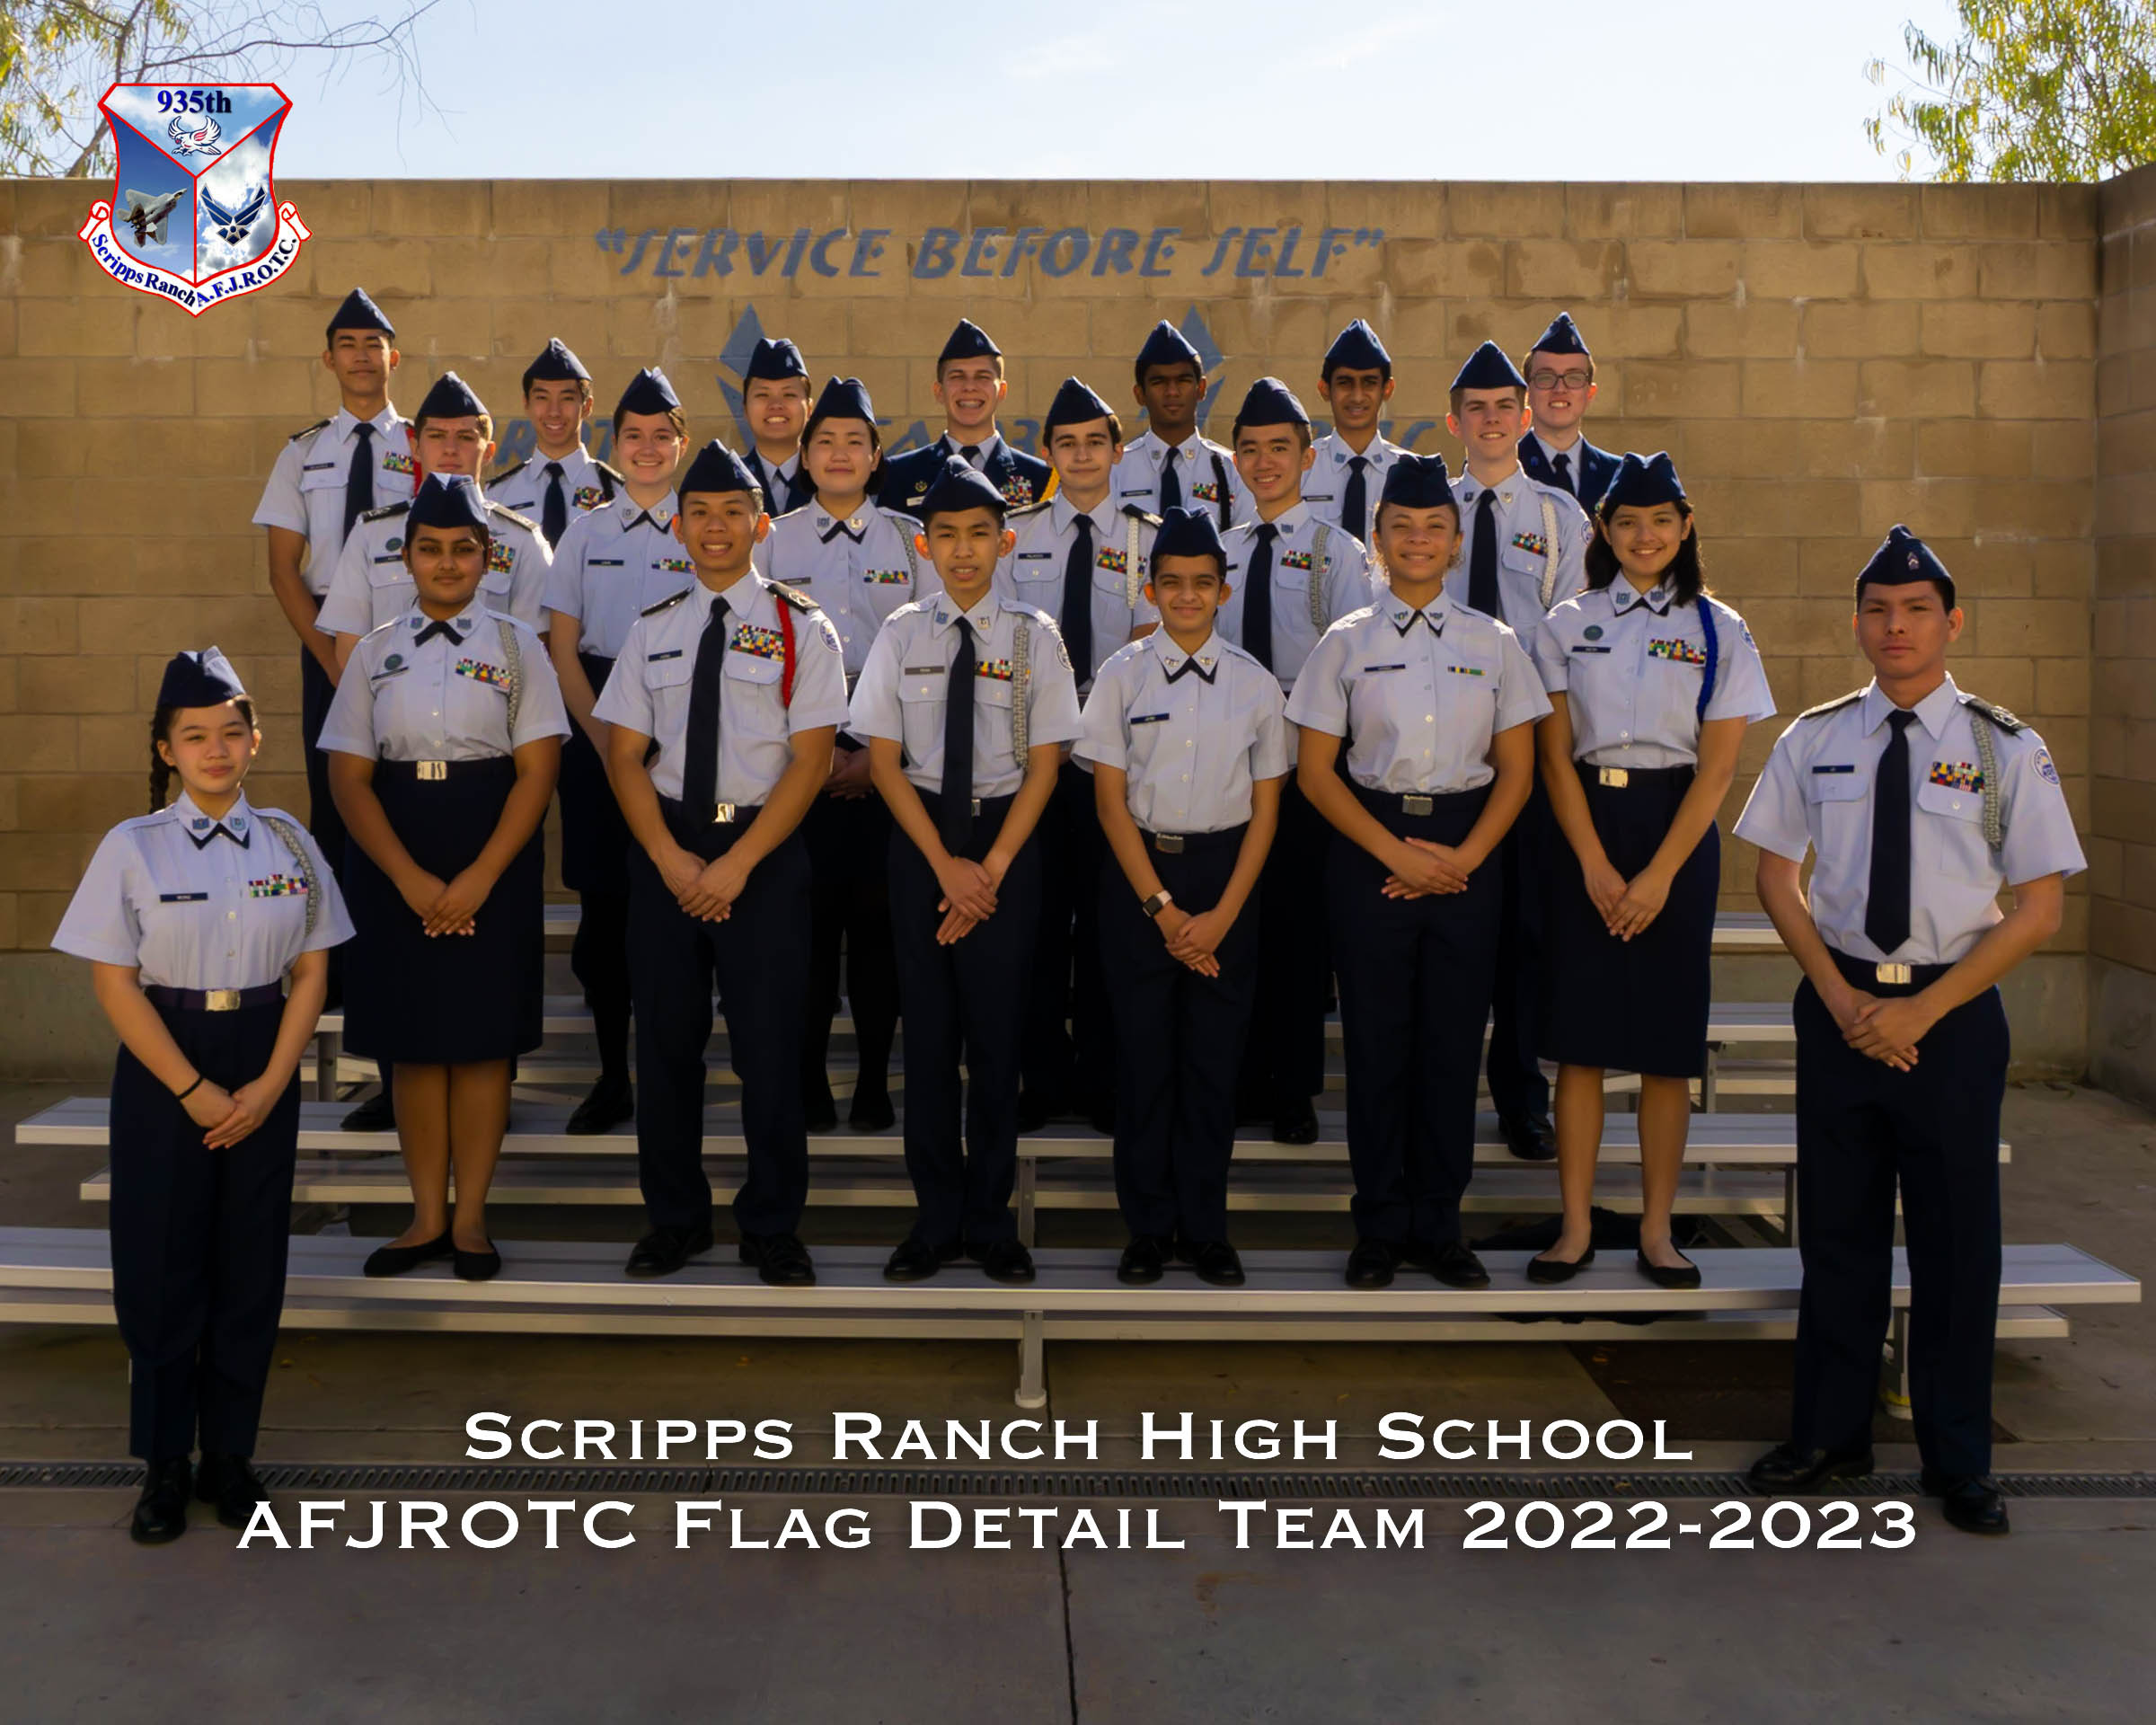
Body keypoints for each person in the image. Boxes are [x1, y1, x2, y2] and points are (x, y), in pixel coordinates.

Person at [1737, 527, 2084, 1537]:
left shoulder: (2002, 746)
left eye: (1917, 610)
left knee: (1956, 1244)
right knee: (1839, 1238)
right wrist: (1846, 1004)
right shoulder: (1816, 736)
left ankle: (1959, 1458)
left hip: (1954, 1015)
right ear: (1857, 623)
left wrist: (1922, 1011)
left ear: (1951, 622)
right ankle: (1828, 1438)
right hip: (1840, 1006)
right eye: (1879, 611)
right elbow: (1774, 874)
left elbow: (2038, 908)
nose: (1896, 627)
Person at [53, 650, 351, 1543]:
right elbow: (114, 985)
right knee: (159, 1269)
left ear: (255, 742)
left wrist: (266, 1085)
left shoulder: (292, 842)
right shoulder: (129, 847)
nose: (215, 751)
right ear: (166, 750)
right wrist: (190, 1088)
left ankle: (230, 1456)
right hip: (164, 1065)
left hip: (264, 1058)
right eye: (195, 737)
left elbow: (312, 971)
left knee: (248, 1268)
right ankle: (163, 1468)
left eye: (230, 733)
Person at [1287, 454, 1549, 1290]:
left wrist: (1464, 861)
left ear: (1457, 539)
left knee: (1448, 1046)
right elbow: (1316, 773)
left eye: (1435, 527)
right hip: (1372, 851)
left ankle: (1440, 1225)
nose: (1419, 540)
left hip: (1471, 853)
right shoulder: (1345, 643)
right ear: (1377, 539)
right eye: (1402, 527)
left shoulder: (1495, 643)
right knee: (1375, 1044)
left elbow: (1519, 770)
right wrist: (1396, 854)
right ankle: (1379, 1225)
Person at [596, 440, 848, 1285]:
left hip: (763, 857)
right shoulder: (652, 629)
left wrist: (738, 863)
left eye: (732, 512)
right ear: (678, 524)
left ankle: (773, 1225)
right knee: (665, 1046)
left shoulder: (802, 627)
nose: (715, 527)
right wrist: (668, 857)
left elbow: (811, 761)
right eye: (699, 512)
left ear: (760, 523)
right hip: (666, 853)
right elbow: (624, 755)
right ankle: (675, 1221)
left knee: (771, 1049)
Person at [1526, 454, 1776, 1286]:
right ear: (1604, 530)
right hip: (1586, 825)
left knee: (1669, 1051)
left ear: (1685, 526)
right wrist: (1594, 863)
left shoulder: (1721, 628)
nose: (1645, 536)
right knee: (1581, 1047)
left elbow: (1717, 770)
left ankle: (1660, 1231)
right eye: (1628, 522)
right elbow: (1555, 759)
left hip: (1678, 831)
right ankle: (1572, 1228)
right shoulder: (1566, 621)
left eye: (1661, 521)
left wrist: (1661, 874)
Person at [321, 474, 569, 1284]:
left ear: (488, 558)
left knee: (483, 1044)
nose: (447, 562)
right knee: (415, 1048)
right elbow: (350, 778)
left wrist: (477, 880)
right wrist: (411, 882)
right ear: (406, 557)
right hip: (397, 850)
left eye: (464, 549)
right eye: (430, 548)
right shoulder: (372, 651)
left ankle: (470, 1222)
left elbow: (537, 771)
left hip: (489, 844)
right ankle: (424, 1216)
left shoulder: (516, 647)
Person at [850, 457, 1082, 1284]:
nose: (962, 550)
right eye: (944, 535)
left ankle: (990, 1225)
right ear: (924, 546)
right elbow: (881, 760)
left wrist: (988, 869)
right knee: (930, 1042)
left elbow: (1048, 764)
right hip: (922, 850)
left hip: (1004, 848)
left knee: (995, 1044)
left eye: (979, 534)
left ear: (1006, 541)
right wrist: (946, 867)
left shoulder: (1034, 637)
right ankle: (933, 1221)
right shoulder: (901, 633)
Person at [1077, 508, 1286, 1287]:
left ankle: (1205, 1229)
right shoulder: (1121, 677)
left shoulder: (1256, 684)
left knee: (1211, 1069)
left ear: (1223, 591)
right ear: (1150, 588)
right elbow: (1108, 803)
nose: (1188, 597)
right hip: (1142, 885)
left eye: (1203, 583)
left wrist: (1222, 916)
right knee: (1145, 1068)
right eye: (1173, 584)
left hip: (1228, 883)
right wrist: (1163, 910)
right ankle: (1147, 1229)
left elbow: (1266, 813)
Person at [250, 285, 406, 1131]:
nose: (359, 355)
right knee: (335, 815)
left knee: (404, 819)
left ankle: (396, 984)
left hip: (415, 662)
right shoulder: (302, 451)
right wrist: (331, 659)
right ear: (328, 359)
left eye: (372, 343)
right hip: (330, 658)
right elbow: (284, 567)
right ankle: (341, 966)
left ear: (394, 357)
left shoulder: (426, 446)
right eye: (345, 343)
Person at [762, 376, 932, 1133]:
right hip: (795, 752)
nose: (838, 453)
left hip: (887, 751)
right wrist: (814, 754)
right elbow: (756, 650)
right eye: (824, 440)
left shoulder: (911, 538)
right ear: (803, 454)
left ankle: (871, 1079)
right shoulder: (773, 539)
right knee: (803, 929)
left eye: (854, 442)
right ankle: (805, 1079)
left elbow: (931, 653)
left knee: (877, 931)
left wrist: (875, 758)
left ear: (875, 458)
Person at [1212, 376, 1377, 1146]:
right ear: (1236, 461)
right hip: (1227, 757)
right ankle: (1239, 1075)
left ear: (1309, 458)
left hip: (1307, 760)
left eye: (1281, 448)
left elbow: (1353, 666)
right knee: (1235, 919)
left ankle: (1293, 1088)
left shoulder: (1337, 553)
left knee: (1298, 929)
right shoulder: (1217, 550)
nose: (1265, 462)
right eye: (1250, 449)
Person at [999, 375, 1162, 1133]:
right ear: (1048, 453)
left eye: (1096, 440)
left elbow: (1147, 646)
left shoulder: (1149, 538)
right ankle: (1041, 1076)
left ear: (1117, 448)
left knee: (1106, 926)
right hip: (1033, 758)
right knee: (1033, 924)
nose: (1084, 453)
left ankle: (1101, 1078)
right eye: (1068, 444)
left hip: (1112, 761)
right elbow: (1003, 636)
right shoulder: (1016, 534)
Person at [1447, 339, 1592, 1163]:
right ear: (1455, 419)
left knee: (1526, 932)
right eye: (1478, 407)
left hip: (1526, 741)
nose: (1493, 419)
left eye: (1507, 406)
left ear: (1526, 414)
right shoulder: (1425, 507)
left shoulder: (1559, 517)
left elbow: (1565, 639)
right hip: (1444, 740)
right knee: (1453, 920)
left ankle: (1520, 1097)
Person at [543, 367, 693, 1136]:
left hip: (683, 721)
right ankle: (611, 1075)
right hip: (598, 721)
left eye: (660, 435)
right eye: (632, 436)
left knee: (669, 903)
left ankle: (671, 1073)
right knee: (605, 910)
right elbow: (562, 647)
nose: (645, 448)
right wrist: (605, 743)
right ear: (615, 442)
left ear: (682, 443)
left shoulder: (702, 523)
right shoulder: (586, 530)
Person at [319, 370, 552, 665]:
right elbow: (350, 651)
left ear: (489, 452)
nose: (450, 449)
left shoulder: (522, 541)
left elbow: (532, 654)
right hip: (392, 703)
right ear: (415, 448)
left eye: (465, 437)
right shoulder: (371, 534)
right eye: (437, 436)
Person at [879, 320, 1053, 518]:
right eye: (957, 376)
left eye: (983, 377)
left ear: (1002, 391)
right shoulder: (900, 474)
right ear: (939, 391)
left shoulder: (1039, 476)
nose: (969, 387)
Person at [485, 338, 622, 548]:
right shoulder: (497, 494)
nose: (554, 411)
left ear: (587, 407)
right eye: (542, 398)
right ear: (526, 404)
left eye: (567, 399)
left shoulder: (616, 493)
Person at [1120, 319, 1248, 529]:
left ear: (1201, 388)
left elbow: (1243, 547)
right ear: (1140, 394)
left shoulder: (1231, 470)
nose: (1172, 391)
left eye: (1183, 380)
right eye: (1158, 382)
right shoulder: (1116, 470)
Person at [1307, 318, 1409, 541]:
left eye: (1369, 382)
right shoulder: (1301, 469)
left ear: (1387, 388)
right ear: (1324, 389)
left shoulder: (1411, 473)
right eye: (1345, 382)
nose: (1357, 396)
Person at [1516, 313, 1619, 510]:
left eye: (1574, 378)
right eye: (1546, 377)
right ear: (1527, 392)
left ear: (1590, 392)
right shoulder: (1501, 469)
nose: (1560, 389)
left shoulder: (1618, 474)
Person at [739, 335, 817, 516]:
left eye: (789, 395)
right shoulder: (727, 479)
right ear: (745, 408)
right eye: (763, 395)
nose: (776, 405)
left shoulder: (830, 478)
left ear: (810, 408)